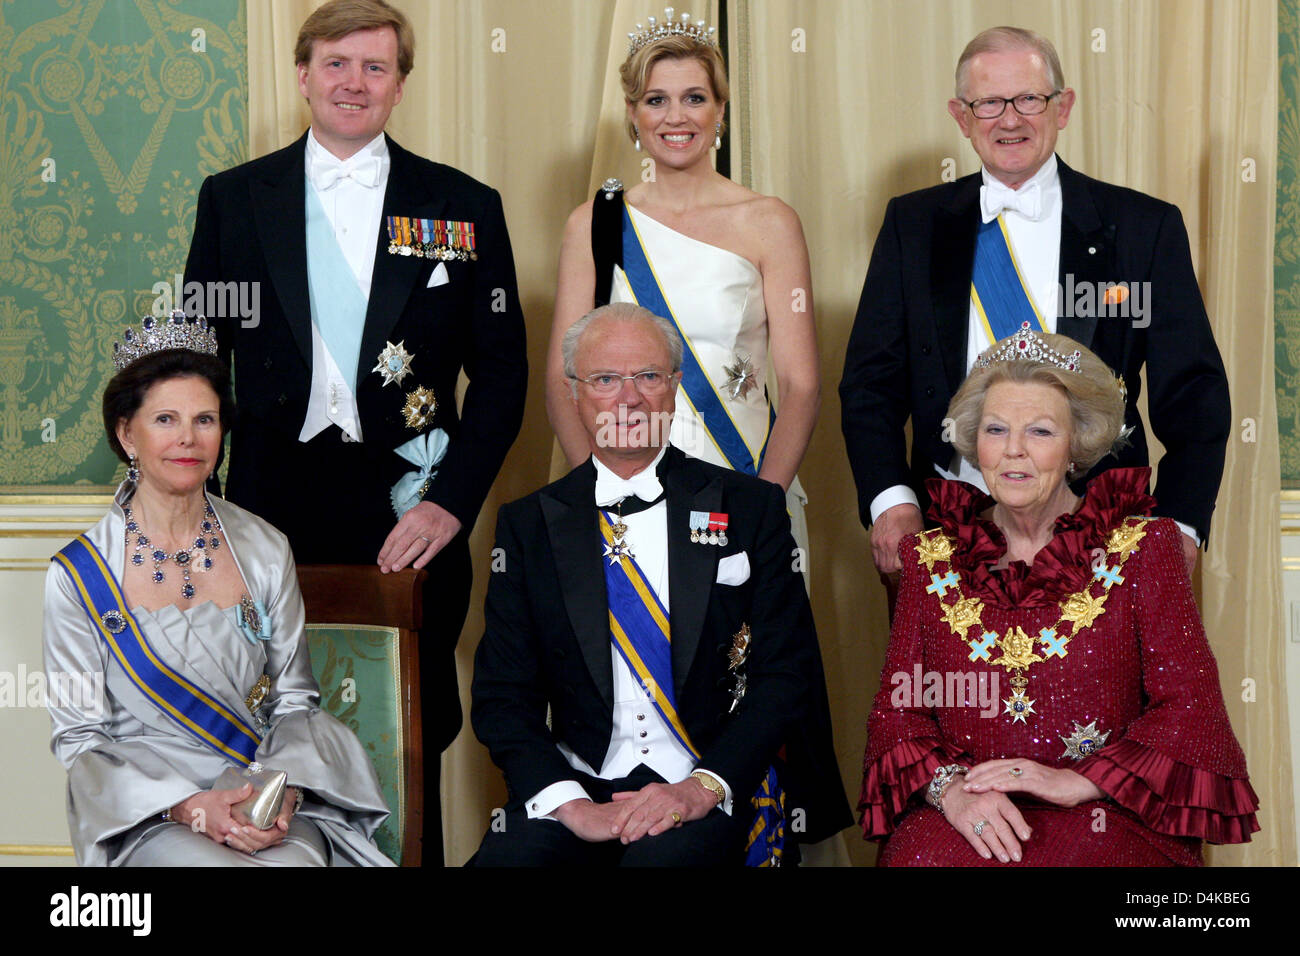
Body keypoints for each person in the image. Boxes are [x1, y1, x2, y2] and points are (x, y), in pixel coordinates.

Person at [182, 0, 527, 862]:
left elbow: (504, 373)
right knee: (262, 719)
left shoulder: (462, 204)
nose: (354, 83)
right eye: (336, 63)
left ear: (401, 86)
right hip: (266, 505)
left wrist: (451, 506)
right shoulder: (232, 200)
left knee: (410, 723)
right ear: (302, 74)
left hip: (410, 509)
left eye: (376, 68)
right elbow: (193, 358)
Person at [839, 26, 1229, 581]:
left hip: (1106, 529)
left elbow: (1194, 393)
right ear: (961, 116)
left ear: (1063, 107)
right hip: (944, 527)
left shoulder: (1143, 229)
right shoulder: (913, 225)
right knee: (958, 676)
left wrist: (1182, 525)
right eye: (989, 102)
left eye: (1029, 99)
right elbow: (869, 384)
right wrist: (890, 502)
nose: (1010, 119)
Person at [859, 327, 1258, 866]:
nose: (1014, 450)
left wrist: (1082, 780)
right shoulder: (929, 559)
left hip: (1104, 811)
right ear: (975, 441)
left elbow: (1189, 708)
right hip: (967, 813)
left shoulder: (1143, 550)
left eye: (1041, 431)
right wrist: (951, 791)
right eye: (996, 430)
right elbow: (898, 714)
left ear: (1077, 445)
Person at [471, 304, 849, 866]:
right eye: (604, 380)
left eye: (648, 376)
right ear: (574, 392)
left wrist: (702, 787)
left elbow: (786, 675)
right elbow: (503, 697)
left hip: (705, 784)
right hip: (579, 788)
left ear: (675, 387)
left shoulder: (750, 508)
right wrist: (570, 805)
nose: (628, 400)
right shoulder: (527, 526)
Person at [42, 313, 394, 866]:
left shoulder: (264, 547)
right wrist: (187, 805)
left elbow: (295, 701)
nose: (187, 438)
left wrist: (283, 796)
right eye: (165, 419)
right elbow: (81, 738)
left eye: (204, 419)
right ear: (126, 433)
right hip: (154, 811)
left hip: (261, 791)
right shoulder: (78, 574)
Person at [546, 8, 818, 564]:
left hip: (745, 477)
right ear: (633, 114)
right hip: (625, 489)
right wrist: (597, 495)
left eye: (695, 98)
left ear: (720, 109)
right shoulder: (594, 223)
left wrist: (761, 505)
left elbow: (801, 384)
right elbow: (560, 380)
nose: (677, 117)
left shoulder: (770, 222)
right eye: (656, 100)